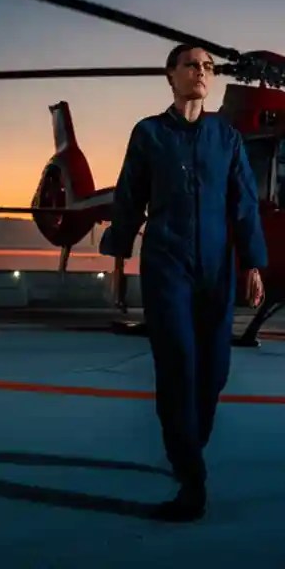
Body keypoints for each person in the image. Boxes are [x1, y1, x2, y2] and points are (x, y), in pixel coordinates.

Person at [99, 43, 267, 522]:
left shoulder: (227, 138)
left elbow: (245, 204)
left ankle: (188, 445)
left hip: (217, 268)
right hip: (167, 264)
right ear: (170, 75)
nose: (201, 71)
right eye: (191, 65)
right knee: (177, 366)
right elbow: (129, 196)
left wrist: (253, 264)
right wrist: (118, 257)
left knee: (213, 372)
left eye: (209, 66)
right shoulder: (149, 134)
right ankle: (193, 481)